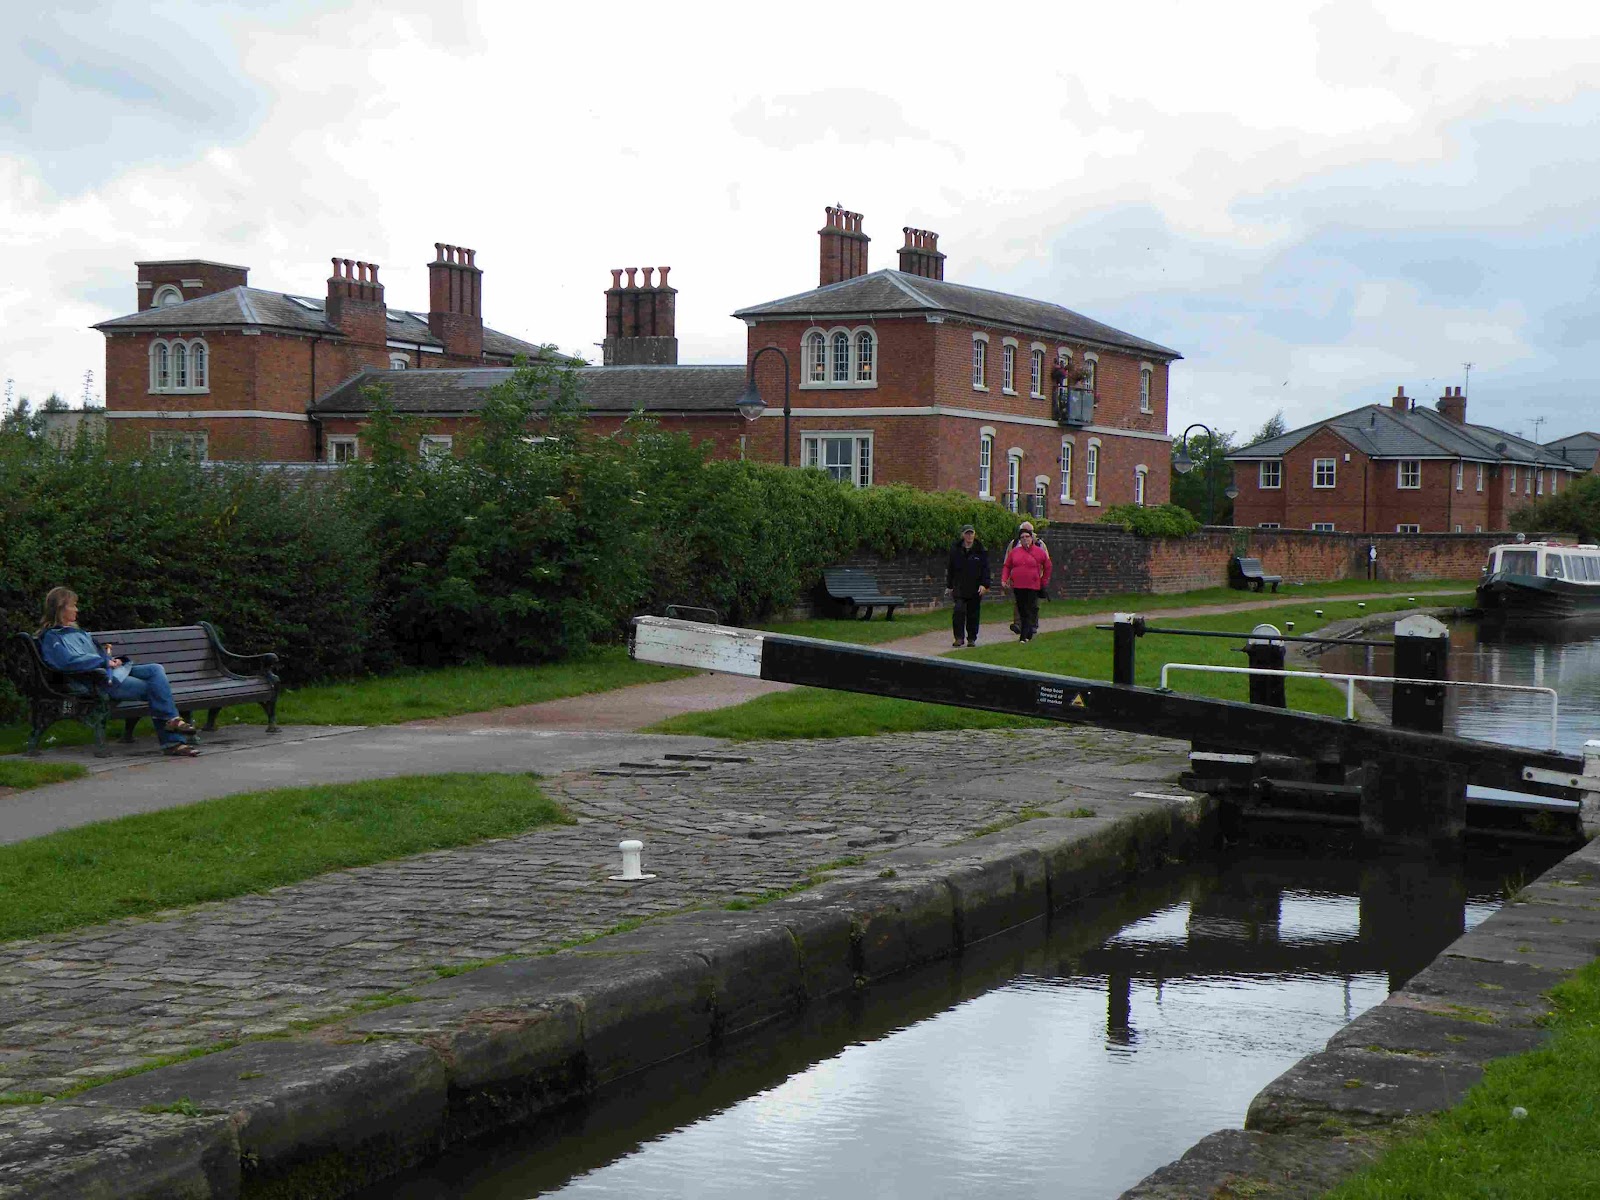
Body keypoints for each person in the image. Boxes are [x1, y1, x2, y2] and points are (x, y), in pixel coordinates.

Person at [36, 587, 199, 757]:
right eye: (73, 605)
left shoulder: (79, 633)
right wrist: (102, 661)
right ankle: (173, 740)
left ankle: (172, 723)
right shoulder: (52, 637)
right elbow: (66, 663)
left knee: (155, 669)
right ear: (61, 608)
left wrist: (114, 660)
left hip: (110, 672)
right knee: (155, 688)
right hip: (96, 681)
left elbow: (96, 655)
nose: (77, 609)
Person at [1002, 527, 1053, 643]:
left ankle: (1023, 637)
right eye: (1022, 537)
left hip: (1033, 586)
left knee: (1029, 610)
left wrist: (1043, 581)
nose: (1025, 539)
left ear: (1032, 538)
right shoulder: (1015, 552)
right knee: (1022, 609)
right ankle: (1028, 633)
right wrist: (1004, 579)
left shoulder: (1039, 552)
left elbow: (1048, 566)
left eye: (1027, 537)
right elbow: (1007, 566)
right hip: (1018, 586)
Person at [944, 524, 991, 647]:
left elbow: (986, 569)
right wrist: (949, 586)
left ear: (974, 535)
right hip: (959, 586)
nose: (969, 536)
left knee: (973, 613)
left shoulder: (981, 550)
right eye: (967, 533)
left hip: (975, 587)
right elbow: (951, 568)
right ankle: (959, 637)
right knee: (958, 611)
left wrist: (984, 585)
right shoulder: (956, 549)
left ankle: (971, 638)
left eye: (971, 533)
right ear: (963, 535)